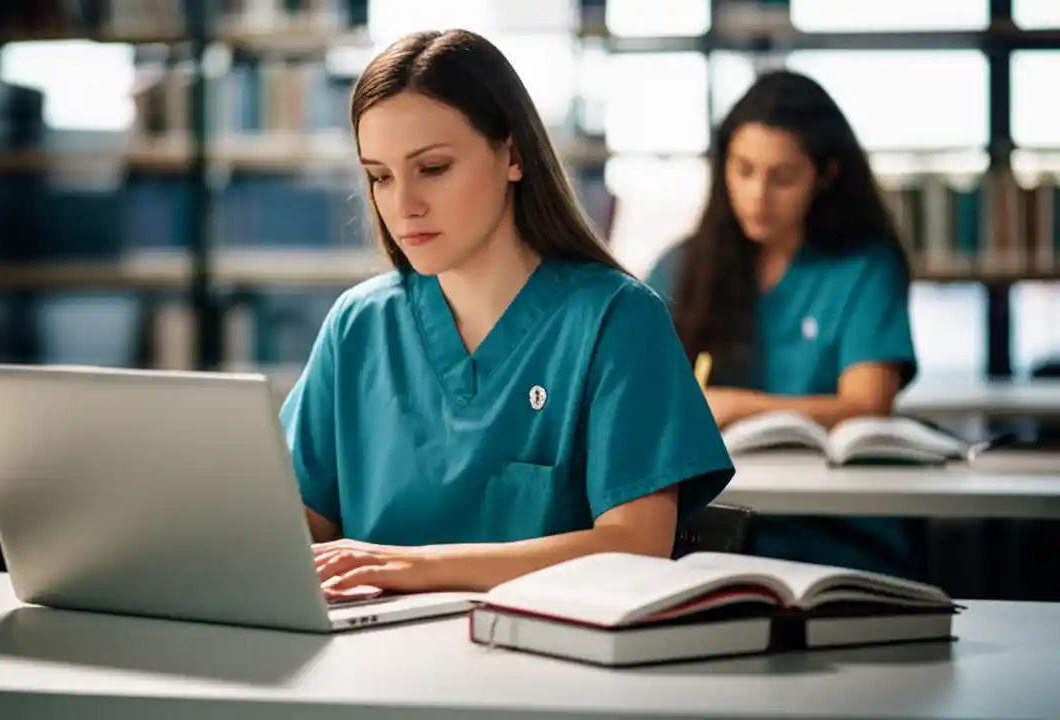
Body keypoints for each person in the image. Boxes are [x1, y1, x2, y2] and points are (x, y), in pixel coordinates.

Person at [279, 29, 734, 599]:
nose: (403, 205)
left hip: (552, 667)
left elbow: (636, 543)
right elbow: (296, 523)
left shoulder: (616, 320)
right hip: (370, 664)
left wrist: (420, 568)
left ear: (512, 156)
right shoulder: (357, 326)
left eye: (434, 168)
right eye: (380, 176)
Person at [646, 70, 921, 578]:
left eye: (783, 177)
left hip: (839, 535)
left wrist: (734, 406)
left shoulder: (863, 267)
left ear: (826, 175)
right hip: (707, 535)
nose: (758, 195)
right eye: (744, 169)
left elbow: (867, 403)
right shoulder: (681, 267)